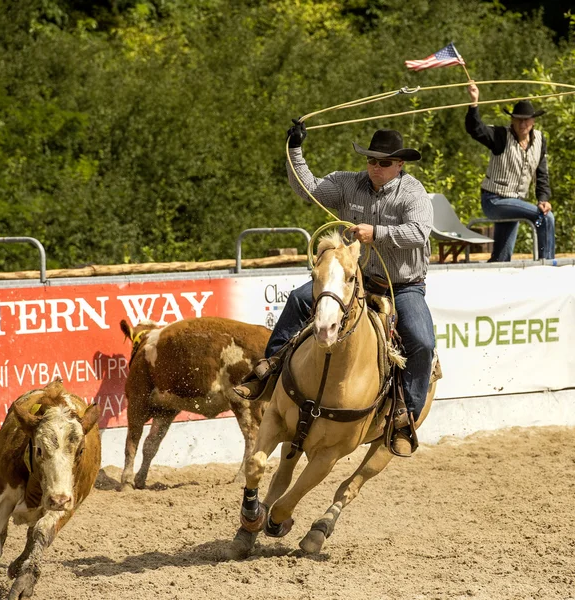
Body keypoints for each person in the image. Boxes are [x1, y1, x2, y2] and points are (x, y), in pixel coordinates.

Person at [236, 123, 435, 456]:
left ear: (400, 165)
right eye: (372, 160)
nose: (376, 167)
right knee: (301, 298)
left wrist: (378, 233)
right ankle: (268, 370)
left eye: (384, 162)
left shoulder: (413, 193)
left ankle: (404, 417)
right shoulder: (348, 183)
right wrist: (295, 149)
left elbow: (419, 232)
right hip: (353, 279)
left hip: (402, 286)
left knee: (421, 340)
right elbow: (308, 188)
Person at [465, 83, 554, 262]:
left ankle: (495, 271)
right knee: (545, 217)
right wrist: (474, 103)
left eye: (526, 119)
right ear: (512, 120)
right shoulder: (500, 136)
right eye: (518, 119)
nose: (522, 124)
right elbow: (476, 129)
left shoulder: (539, 140)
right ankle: (547, 263)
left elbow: (542, 174)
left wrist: (543, 199)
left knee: (502, 257)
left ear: (533, 121)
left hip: (515, 202)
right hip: (494, 200)